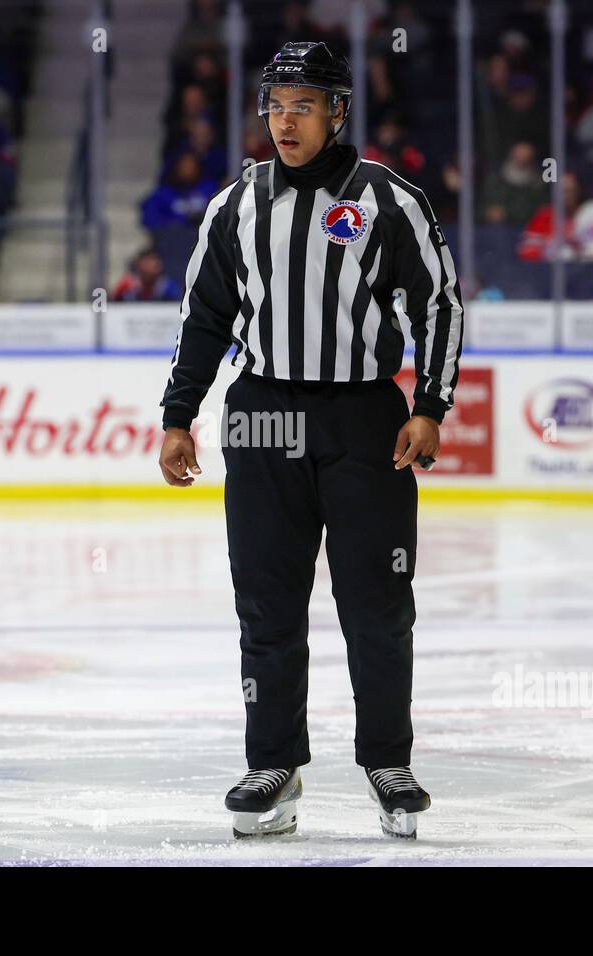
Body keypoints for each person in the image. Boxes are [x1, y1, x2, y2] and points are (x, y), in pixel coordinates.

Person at [156, 41, 464, 839]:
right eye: (276, 106)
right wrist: (178, 415)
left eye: (303, 106)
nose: (285, 122)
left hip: (364, 417)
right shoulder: (236, 204)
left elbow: (438, 305)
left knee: (377, 602)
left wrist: (429, 404)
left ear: (337, 112)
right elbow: (204, 318)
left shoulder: (389, 200)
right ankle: (274, 763)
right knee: (266, 600)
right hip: (261, 415)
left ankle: (387, 763)